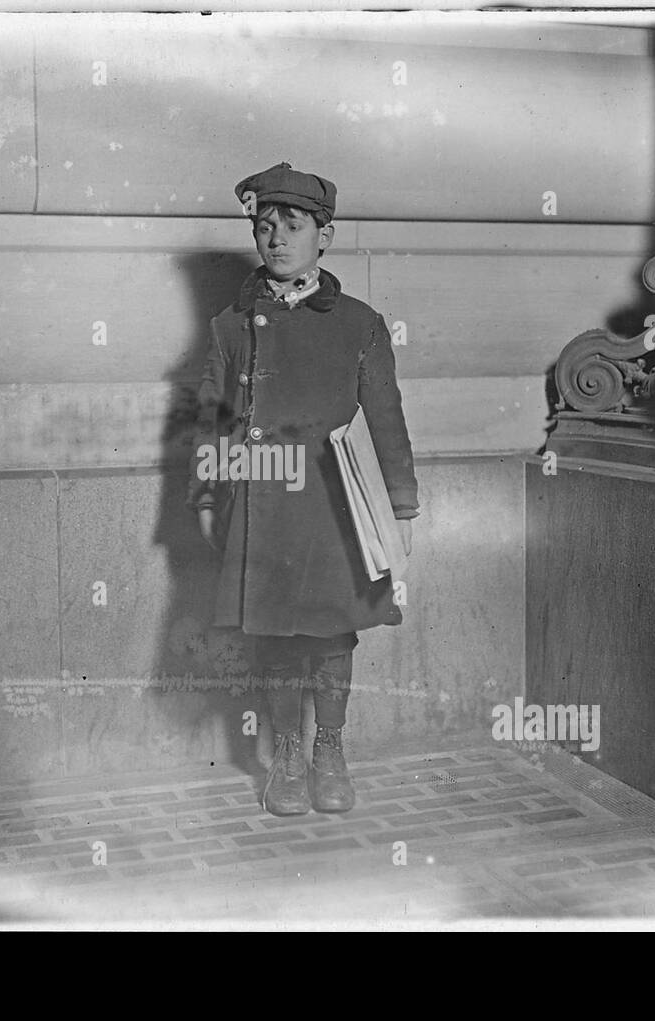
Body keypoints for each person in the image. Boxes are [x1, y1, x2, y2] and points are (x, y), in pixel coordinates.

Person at [187, 162, 419, 815]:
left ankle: (331, 752)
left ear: (327, 235)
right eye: (266, 228)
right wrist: (208, 494)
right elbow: (211, 417)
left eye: (293, 226)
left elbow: (388, 419)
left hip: (335, 506)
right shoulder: (232, 327)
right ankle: (286, 755)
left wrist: (401, 506)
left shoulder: (360, 323)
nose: (278, 240)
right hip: (260, 504)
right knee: (277, 639)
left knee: (331, 638)